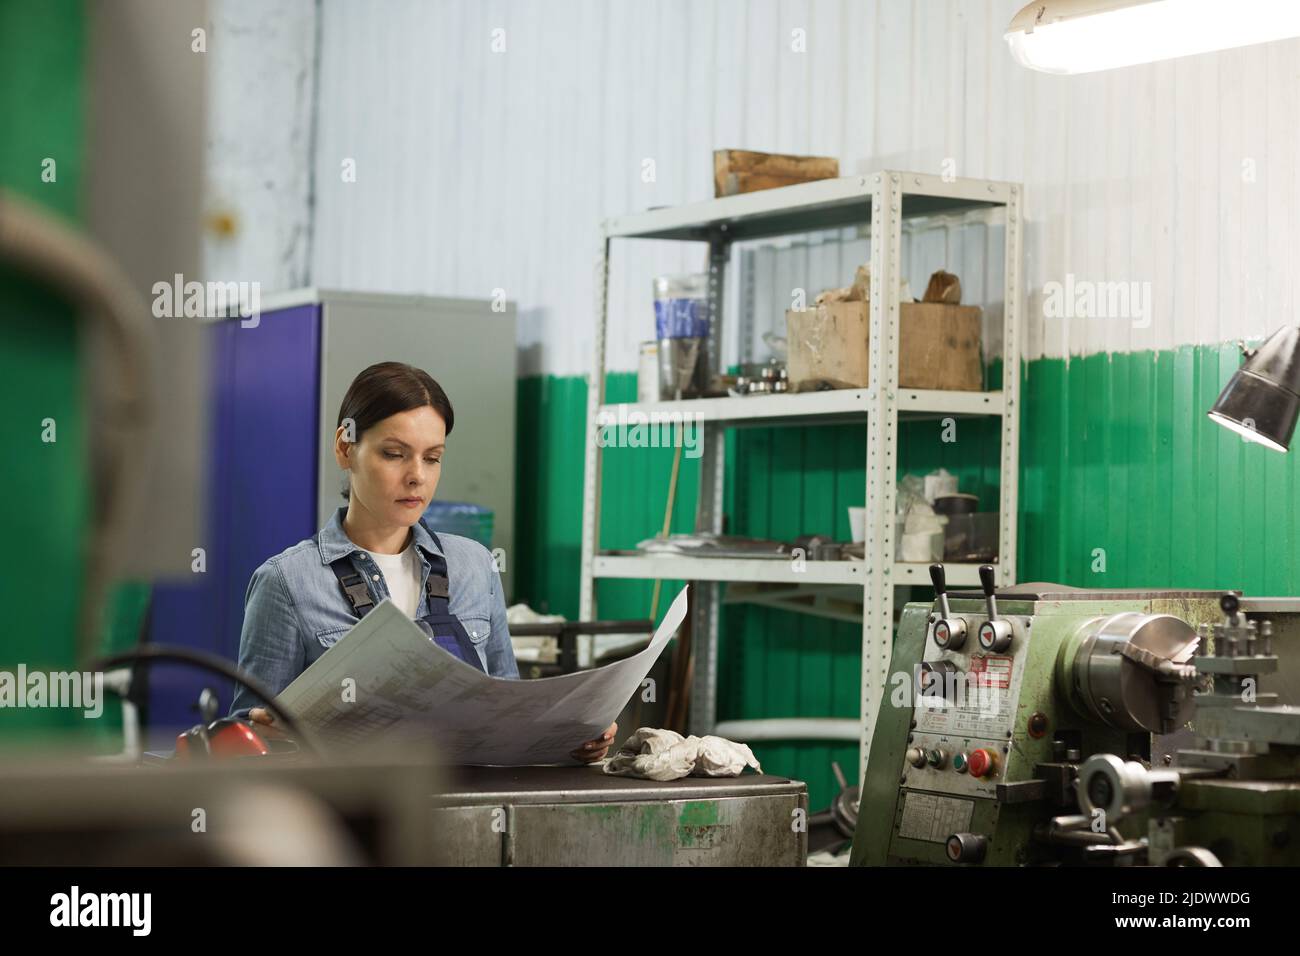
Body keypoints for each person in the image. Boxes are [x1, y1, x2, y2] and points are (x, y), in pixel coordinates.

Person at [230, 361, 615, 763]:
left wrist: (566, 739)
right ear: (345, 448)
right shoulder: (287, 581)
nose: (417, 477)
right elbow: (245, 741)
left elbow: (511, 714)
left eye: (432, 458)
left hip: (472, 815)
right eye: (394, 454)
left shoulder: (475, 566)